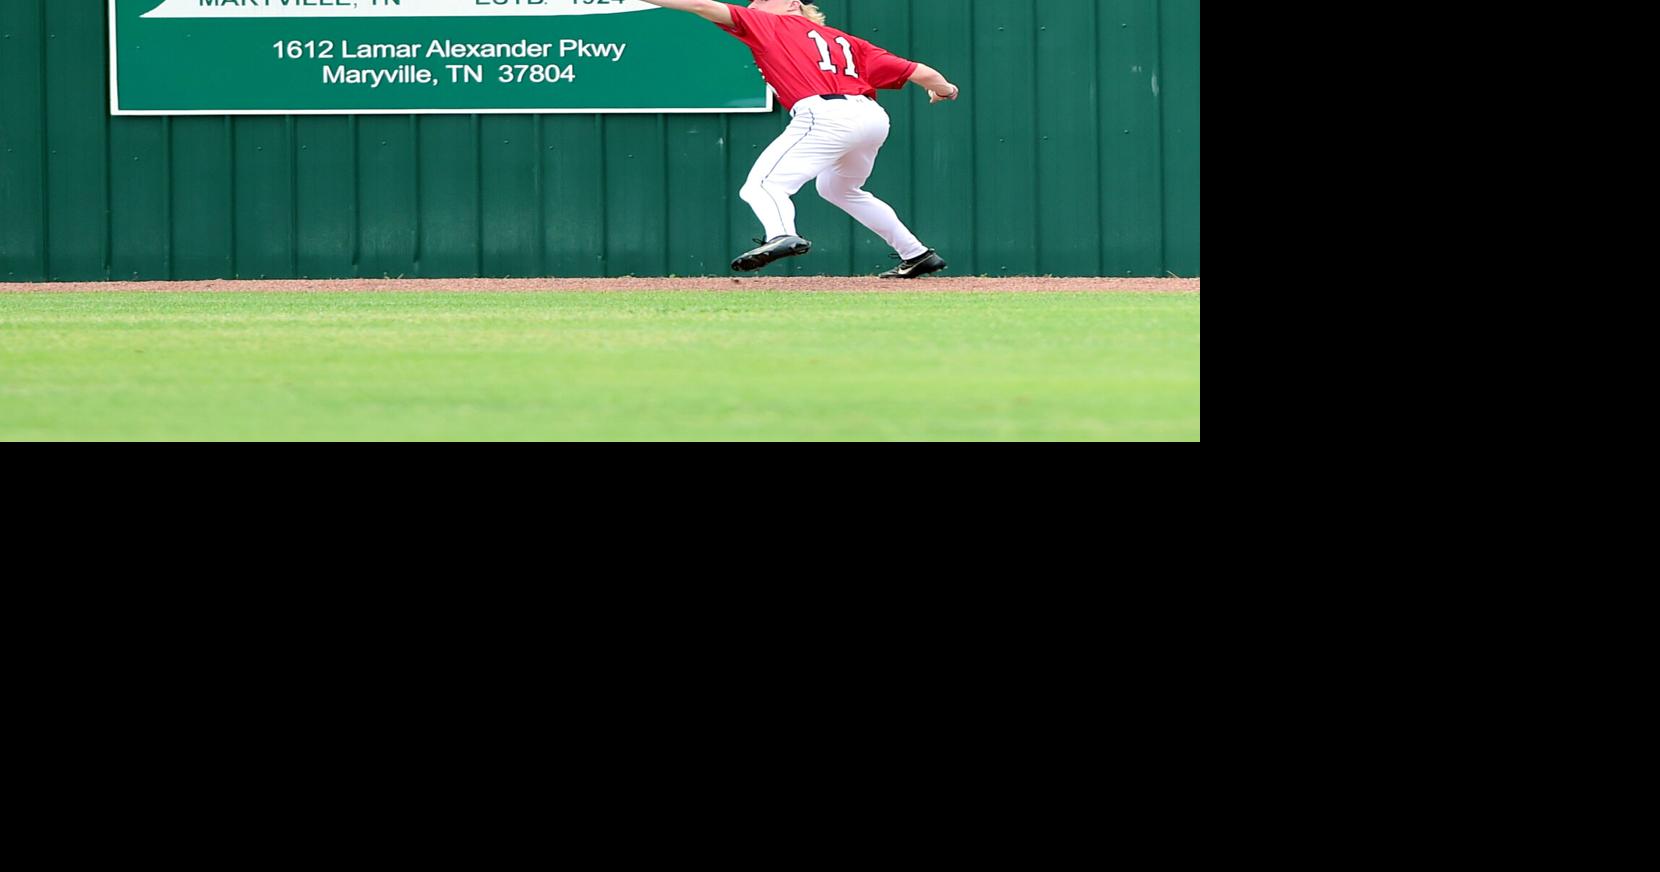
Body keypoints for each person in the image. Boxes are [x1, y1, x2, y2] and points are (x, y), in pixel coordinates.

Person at [635, 0, 959, 277]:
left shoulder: (772, 23)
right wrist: (944, 89)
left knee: (762, 186)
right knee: (838, 188)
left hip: (826, 115)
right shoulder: (845, 41)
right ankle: (916, 254)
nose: (754, 4)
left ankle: (782, 234)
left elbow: (701, 5)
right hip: (871, 118)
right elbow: (923, 73)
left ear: (792, 4)